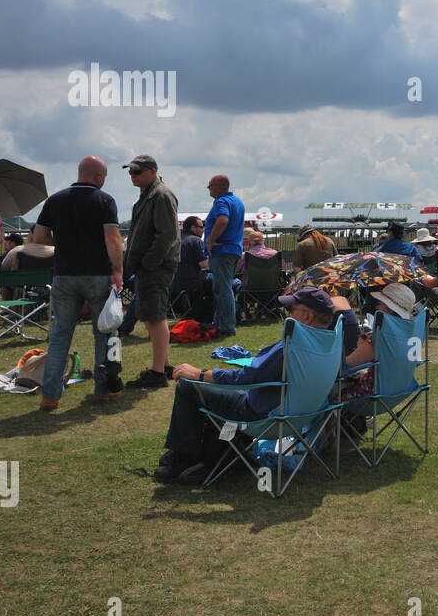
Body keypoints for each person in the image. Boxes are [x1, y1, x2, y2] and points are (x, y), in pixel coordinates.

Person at [155, 286, 338, 484]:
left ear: (308, 316)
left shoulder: (292, 346)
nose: (287, 314)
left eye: (291, 310)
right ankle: (211, 453)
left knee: (187, 386)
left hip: (261, 417)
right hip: (301, 418)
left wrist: (199, 374)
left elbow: (245, 377)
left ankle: (184, 459)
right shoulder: (331, 345)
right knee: (227, 391)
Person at [32, 156, 124, 411]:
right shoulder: (105, 200)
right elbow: (113, 239)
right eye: (104, 176)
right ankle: (103, 389)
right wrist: (118, 270)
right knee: (103, 333)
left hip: (64, 275)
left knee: (60, 335)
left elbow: (39, 236)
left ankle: (50, 395)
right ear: (98, 176)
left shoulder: (55, 199)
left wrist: (62, 245)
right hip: (97, 275)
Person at [123, 155, 180, 388]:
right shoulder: (151, 194)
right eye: (131, 172)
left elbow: (166, 234)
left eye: (137, 172)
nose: (133, 176)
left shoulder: (160, 195)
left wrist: (148, 261)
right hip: (152, 265)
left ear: (153, 171)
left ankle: (157, 373)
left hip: (156, 265)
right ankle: (164, 366)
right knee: (150, 316)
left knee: (155, 317)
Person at [203, 173, 244, 338]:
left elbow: (222, 220)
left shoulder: (221, 201)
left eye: (210, 184)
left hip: (222, 251)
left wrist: (210, 240)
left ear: (220, 186)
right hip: (233, 250)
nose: (208, 187)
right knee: (221, 288)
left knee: (224, 289)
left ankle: (226, 326)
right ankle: (219, 323)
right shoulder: (237, 202)